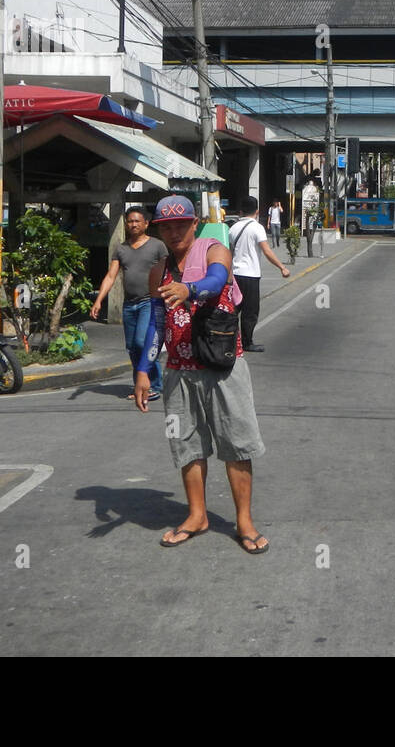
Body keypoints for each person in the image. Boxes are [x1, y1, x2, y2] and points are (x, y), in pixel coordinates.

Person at [133, 195, 269, 554]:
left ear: (195, 224)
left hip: (223, 367)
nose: (175, 231)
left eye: (182, 224)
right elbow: (157, 322)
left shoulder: (213, 249)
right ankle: (197, 516)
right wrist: (144, 370)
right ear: (158, 230)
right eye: (167, 226)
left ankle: (244, 522)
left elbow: (217, 279)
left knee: (236, 444)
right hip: (178, 370)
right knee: (187, 446)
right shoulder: (157, 270)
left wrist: (188, 290)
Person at [90, 206, 169, 402]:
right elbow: (111, 276)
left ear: (146, 224)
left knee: (144, 343)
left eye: (136, 221)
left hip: (149, 302)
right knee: (133, 347)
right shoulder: (121, 249)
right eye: (130, 221)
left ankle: (154, 384)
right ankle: (139, 386)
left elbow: (169, 272)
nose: (132, 224)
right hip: (129, 305)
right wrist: (99, 300)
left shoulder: (158, 246)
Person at [231, 195, 291, 352]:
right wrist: (281, 267)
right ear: (256, 211)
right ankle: (247, 342)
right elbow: (266, 251)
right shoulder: (257, 228)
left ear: (241, 211)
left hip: (235, 275)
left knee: (233, 309)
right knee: (250, 311)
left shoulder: (232, 228)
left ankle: (229, 340)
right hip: (250, 275)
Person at [301, 176, 321, 258]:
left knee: (309, 224)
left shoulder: (305, 189)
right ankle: (310, 252)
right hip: (311, 209)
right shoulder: (315, 189)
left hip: (306, 207)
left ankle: (310, 252)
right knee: (311, 224)